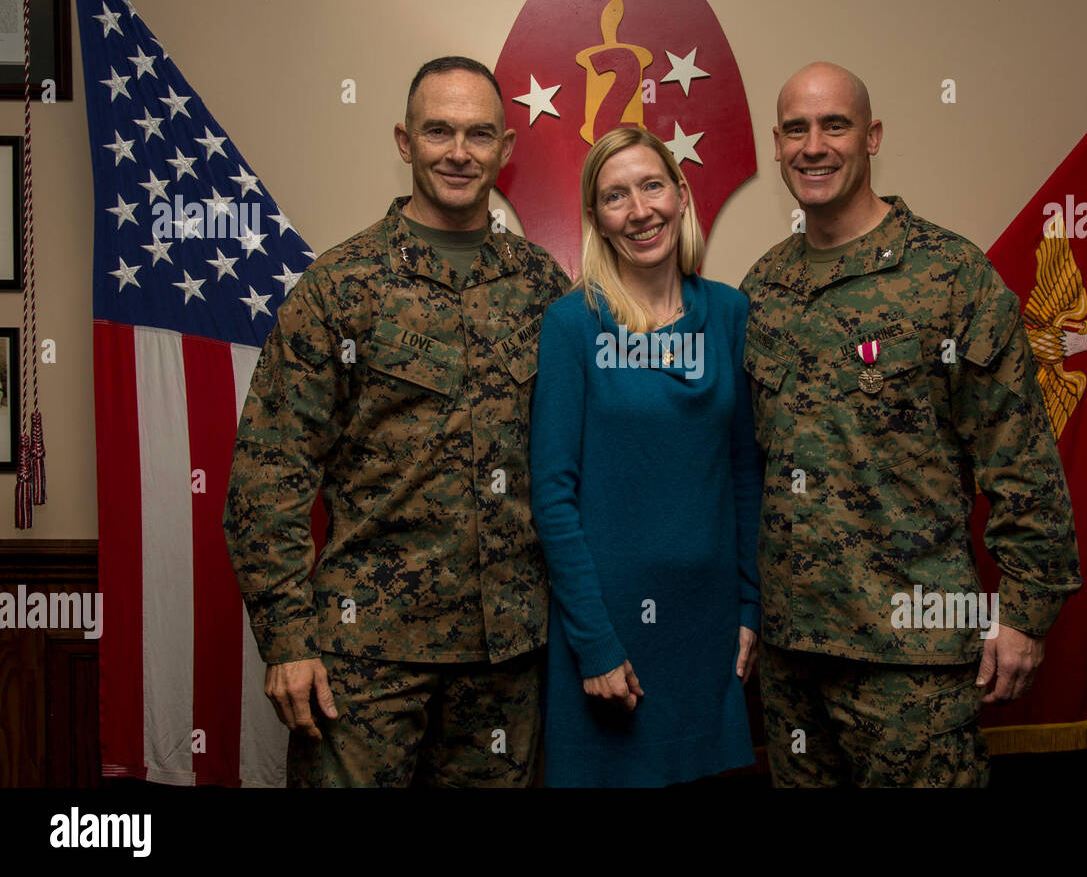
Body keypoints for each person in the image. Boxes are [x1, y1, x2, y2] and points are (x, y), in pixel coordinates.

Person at [223, 55, 570, 787]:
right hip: (365, 657)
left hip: (505, 658)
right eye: (437, 131)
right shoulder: (340, 286)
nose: (458, 152)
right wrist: (287, 638)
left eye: (479, 134)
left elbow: (581, 457)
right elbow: (269, 473)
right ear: (404, 141)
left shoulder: (541, 285)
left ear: (505, 150)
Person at [741, 62, 1082, 787]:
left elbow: (1020, 460)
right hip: (792, 653)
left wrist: (1025, 615)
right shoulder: (763, 290)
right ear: (776, 144)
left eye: (835, 124)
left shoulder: (952, 275)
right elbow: (741, 466)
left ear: (872, 137)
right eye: (796, 129)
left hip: (912, 654)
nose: (814, 145)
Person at [530, 127, 761, 787]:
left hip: (710, 634)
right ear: (596, 219)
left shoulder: (729, 314)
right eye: (615, 196)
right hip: (610, 633)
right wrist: (595, 644)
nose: (639, 211)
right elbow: (553, 494)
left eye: (653, 185)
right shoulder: (573, 325)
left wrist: (750, 609)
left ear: (682, 195)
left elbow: (745, 471)